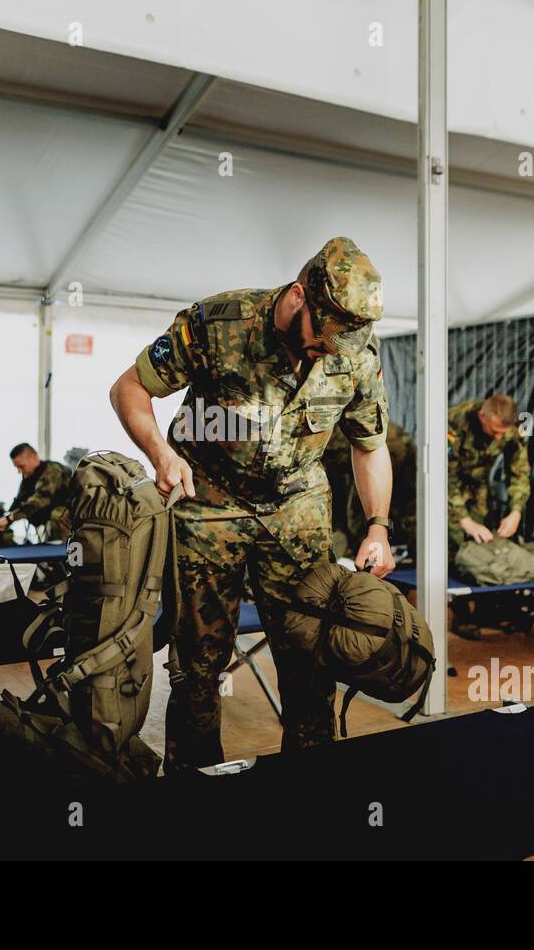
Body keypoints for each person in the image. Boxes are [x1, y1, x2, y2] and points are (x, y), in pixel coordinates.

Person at [109, 236, 395, 772]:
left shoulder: (354, 356)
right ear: (296, 298)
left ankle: (308, 785)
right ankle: (195, 785)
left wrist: (377, 526)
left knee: (311, 653)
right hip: (208, 504)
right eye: (322, 339)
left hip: (297, 508)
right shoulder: (215, 325)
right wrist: (162, 454)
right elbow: (129, 389)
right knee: (199, 662)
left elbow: (369, 446)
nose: (329, 353)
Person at [324, 419, 417, 561]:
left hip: (379, 450)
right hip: (383, 445)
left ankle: (367, 554)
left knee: (363, 508)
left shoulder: (330, 431)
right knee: (406, 504)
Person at [447, 394, 530, 547]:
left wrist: (516, 512)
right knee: (452, 540)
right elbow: (445, 477)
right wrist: (465, 521)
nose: (499, 438)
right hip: (447, 484)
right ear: (482, 417)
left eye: (503, 433)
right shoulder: (454, 423)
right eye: (494, 431)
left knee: (481, 539)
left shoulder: (514, 427)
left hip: (479, 482)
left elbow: (520, 473)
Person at [0, 443, 71, 540]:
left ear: (33, 457)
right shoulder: (30, 477)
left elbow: (39, 501)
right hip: (50, 516)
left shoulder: (53, 471)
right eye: (17, 467)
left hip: (69, 517)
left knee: (58, 514)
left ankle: (65, 549)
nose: (19, 471)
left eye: (21, 466)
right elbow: (19, 501)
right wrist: (4, 519)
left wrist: (9, 519)